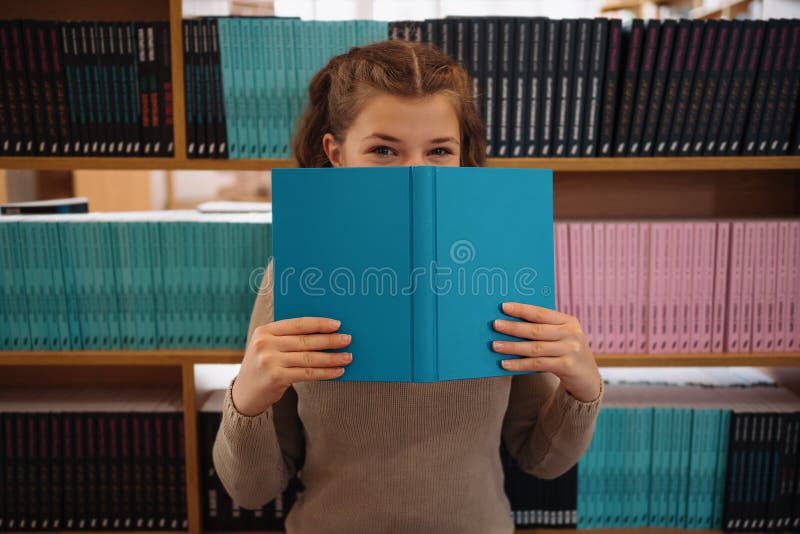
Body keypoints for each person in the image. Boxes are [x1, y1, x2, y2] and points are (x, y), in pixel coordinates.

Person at [213, 39, 603, 534]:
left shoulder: (501, 268)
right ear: (335, 153)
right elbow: (252, 490)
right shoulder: (292, 274)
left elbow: (541, 460)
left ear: (463, 156)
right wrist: (246, 398)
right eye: (383, 150)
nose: (415, 173)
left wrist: (582, 389)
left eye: (439, 150)